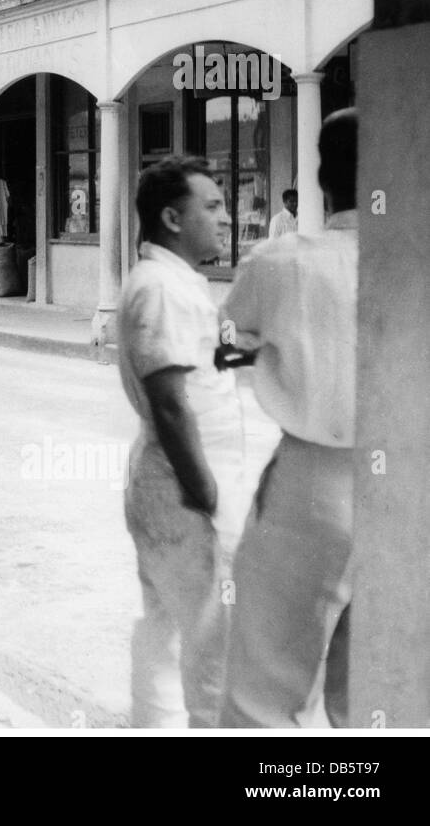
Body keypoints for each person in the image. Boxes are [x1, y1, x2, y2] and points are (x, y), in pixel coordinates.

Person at [219, 110, 358, 728]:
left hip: (316, 488)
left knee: (265, 694)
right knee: (378, 699)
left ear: (324, 179)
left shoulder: (284, 262)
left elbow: (226, 341)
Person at [116, 155, 249, 728]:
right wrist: (209, 496)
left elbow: (196, 368)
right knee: (211, 651)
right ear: (172, 217)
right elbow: (170, 405)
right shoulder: (162, 288)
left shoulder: (173, 280)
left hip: (173, 488)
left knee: (167, 633)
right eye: (212, 206)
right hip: (183, 491)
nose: (226, 218)